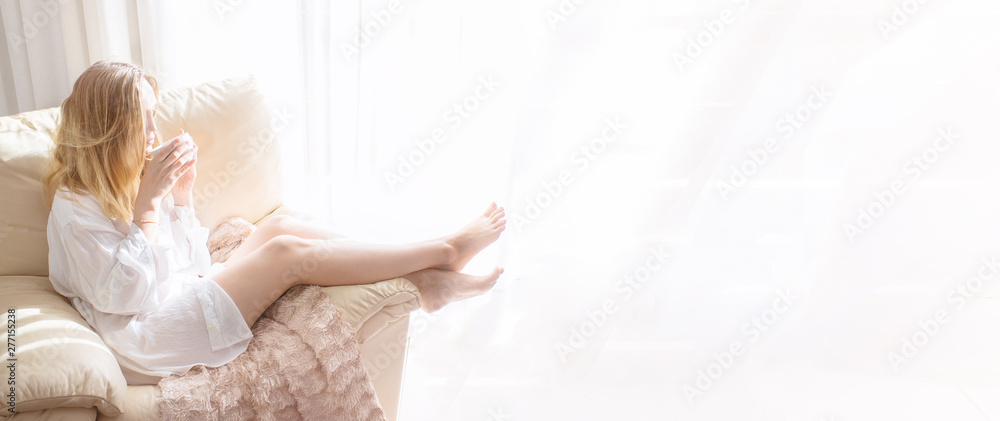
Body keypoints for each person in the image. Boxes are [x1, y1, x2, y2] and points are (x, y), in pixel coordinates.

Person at [44, 60, 505, 384]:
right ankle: (444, 253)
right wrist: (148, 208)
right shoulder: (75, 208)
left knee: (281, 228)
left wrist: (180, 200)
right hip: (144, 339)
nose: (153, 137)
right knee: (286, 254)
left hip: (175, 296)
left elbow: (192, 264)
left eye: (153, 120)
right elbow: (128, 297)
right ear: (108, 131)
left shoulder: (135, 177)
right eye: (141, 124)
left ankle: (424, 277)